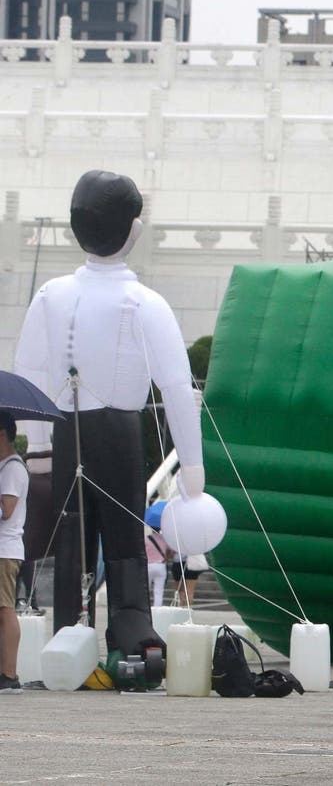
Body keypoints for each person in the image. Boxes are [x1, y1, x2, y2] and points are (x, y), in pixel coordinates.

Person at [13, 170, 208, 665]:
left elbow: (28, 370)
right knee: (124, 535)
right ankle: (129, 628)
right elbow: (177, 389)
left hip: (65, 429)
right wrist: (192, 465)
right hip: (119, 427)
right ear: (133, 230)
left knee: (73, 536)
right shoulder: (145, 302)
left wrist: (37, 445)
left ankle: (68, 630)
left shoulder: (50, 296)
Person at [0, 412, 29, 694]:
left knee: (5, 608)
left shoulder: (12, 468)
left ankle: (9, 673)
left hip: (4, 550)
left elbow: (6, 510)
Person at [144, 526, 171, 607]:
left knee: (146, 589)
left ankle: (145, 607)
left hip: (148, 565)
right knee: (159, 591)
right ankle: (157, 608)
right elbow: (171, 552)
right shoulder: (165, 539)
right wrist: (166, 558)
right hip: (160, 565)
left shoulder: (146, 539)